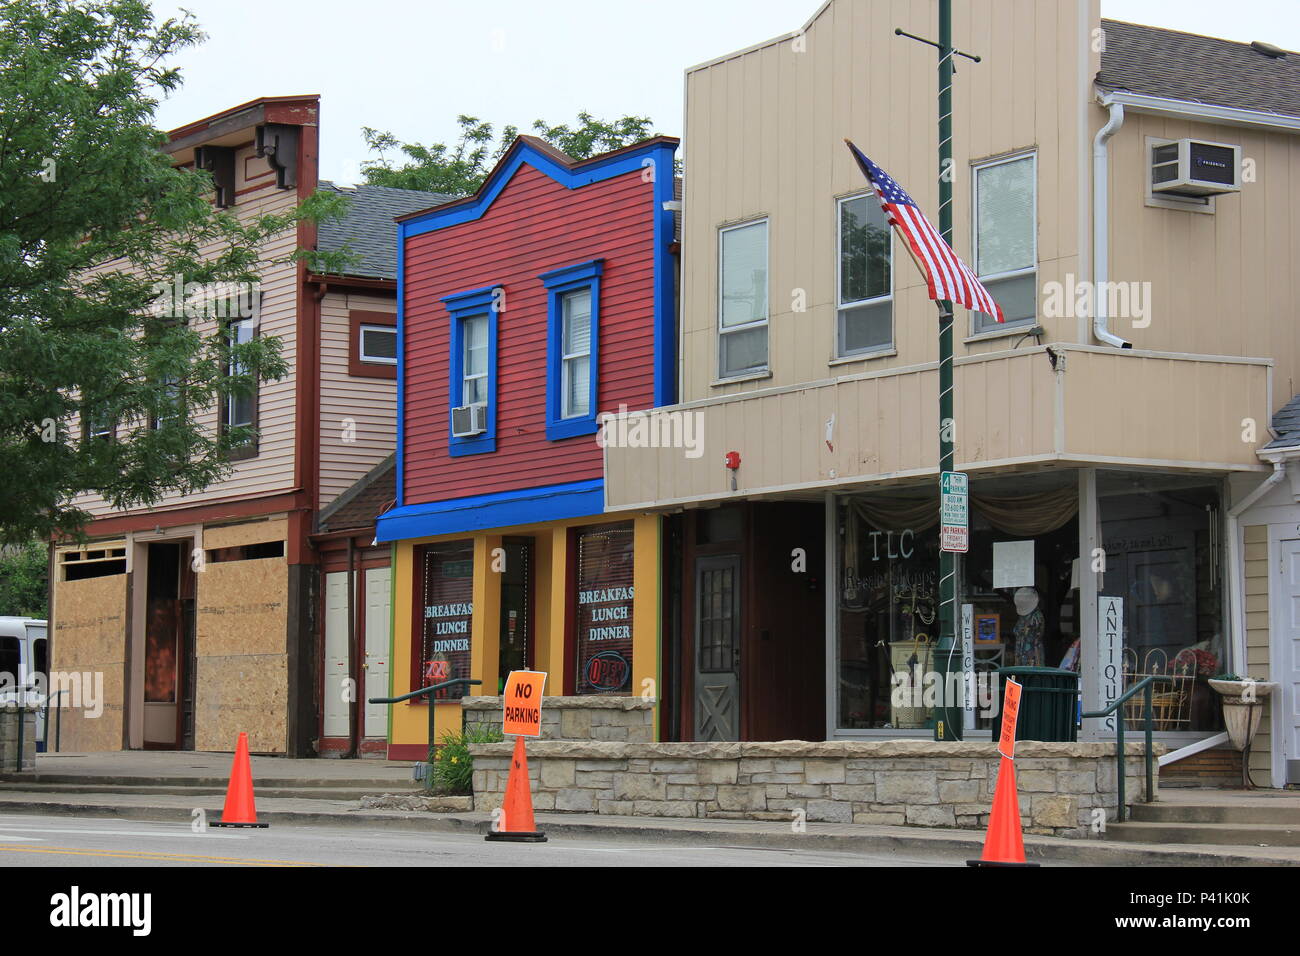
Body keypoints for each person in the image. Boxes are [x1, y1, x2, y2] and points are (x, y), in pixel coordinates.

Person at [1012, 586, 1045, 667]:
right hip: (1021, 652)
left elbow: (1036, 634)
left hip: (1032, 654)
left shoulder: (1036, 616)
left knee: (1032, 676)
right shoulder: (1022, 618)